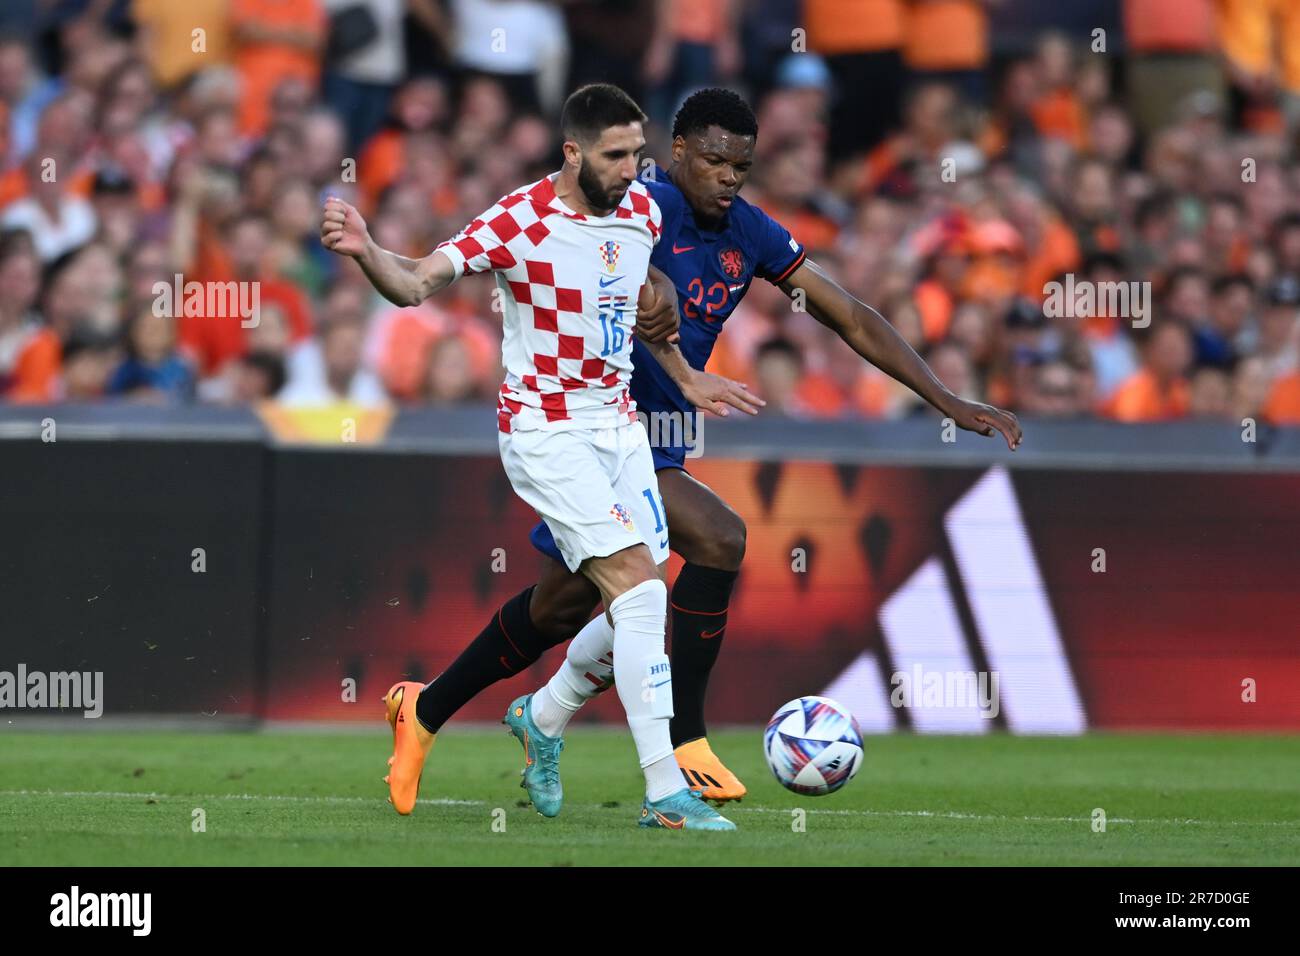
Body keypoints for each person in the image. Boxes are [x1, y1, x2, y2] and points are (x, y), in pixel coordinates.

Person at [410, 88, 1022, 814]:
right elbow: (588, 250)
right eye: (713, 160)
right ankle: (684, 747)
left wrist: (946, 398)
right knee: (716, 541)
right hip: (586, 431)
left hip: (653, 447)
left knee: (561, 609)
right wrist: (649, 281)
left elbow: (850, 317)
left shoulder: (751, 234)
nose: (729, 176)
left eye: (742, 165)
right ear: (675, 154)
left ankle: (459, 712)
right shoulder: (635, 204)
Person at [320, 83, 761, 830]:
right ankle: (666, 792)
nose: (631, 170)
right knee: (640, 590)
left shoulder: (643, 212)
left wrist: (686, 376)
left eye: (637, 154)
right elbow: (417, 281)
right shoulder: (520, 219)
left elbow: (638, 308)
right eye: (615, 156)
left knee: (629, 607)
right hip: (546, 429)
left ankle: (540, 716)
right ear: (572, 153)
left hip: (619, 426)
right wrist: (368, 252)